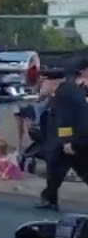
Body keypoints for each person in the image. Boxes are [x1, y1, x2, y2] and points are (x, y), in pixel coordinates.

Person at [37, 57, 88, 211]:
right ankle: (49, 198)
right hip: (69, 139)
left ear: (51, 82)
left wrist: (66, 141)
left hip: (71, 140)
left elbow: (65, 119)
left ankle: (49, 199)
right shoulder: (69, 90)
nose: (41, 87)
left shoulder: (64, 92)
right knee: (56, 171)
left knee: (71, 169)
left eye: (42, 83)